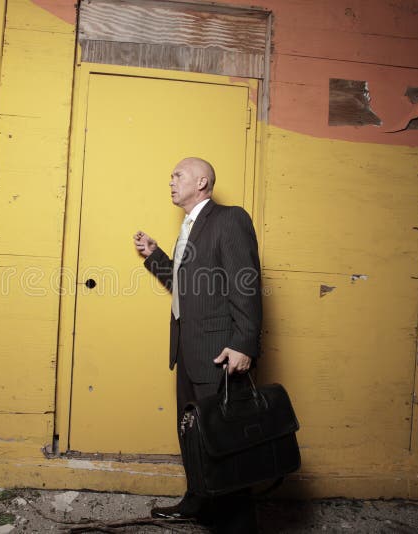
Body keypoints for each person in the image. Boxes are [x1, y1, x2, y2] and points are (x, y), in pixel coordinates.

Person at [133, 157, 263, 533]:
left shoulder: (229, 219)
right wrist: (157, 256)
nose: (171, 180)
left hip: (220, 353)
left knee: (225, 441)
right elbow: (189, 290)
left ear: (202, 181)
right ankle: (198, 503)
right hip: (189, 352)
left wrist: (244, 344)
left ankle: (237, 527)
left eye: (178, 175)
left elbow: (245, 283)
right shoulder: (190, 227)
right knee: (193, 435)